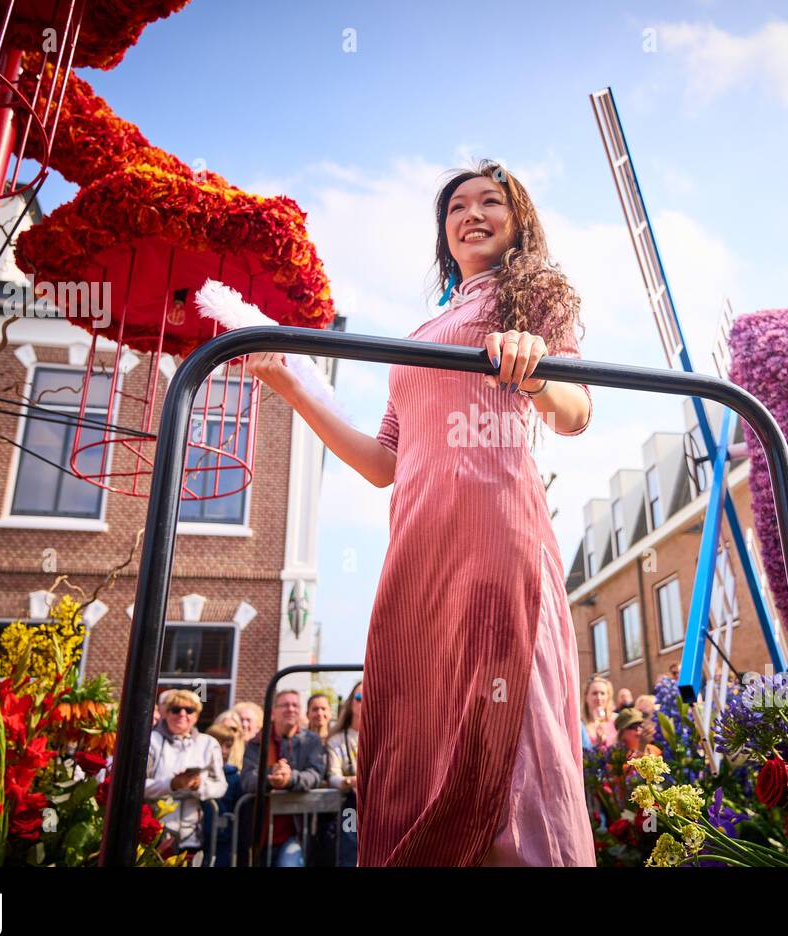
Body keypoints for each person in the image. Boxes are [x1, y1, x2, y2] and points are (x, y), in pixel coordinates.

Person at [247, 160, 594, 866]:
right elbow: (382, 462)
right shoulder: (422, 330)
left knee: (509, 732)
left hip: (495, 532)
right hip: (417, 547)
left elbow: (577, 412)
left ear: (517, 218)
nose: (471, 212)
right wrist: (295, 389)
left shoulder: (532, 296)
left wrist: (538, 370)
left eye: (490, 201)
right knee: (419, 727)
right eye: (456, 205)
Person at [241, 688, 328, 867]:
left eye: (295, 705)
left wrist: (290, 779)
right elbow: (247, 779)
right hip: (260, 833)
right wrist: (271, 776)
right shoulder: (257, 742)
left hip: (296, 831)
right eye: (285, 705)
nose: (291, 709)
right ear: (272, 712)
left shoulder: (311, 741)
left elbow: (315, 774)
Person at [145, 689, 227, 862]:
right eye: (175, 709)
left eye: (189, 710)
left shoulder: (208, 743)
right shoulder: (151, 740)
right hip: (155, 829)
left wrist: (198, 785)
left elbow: (221, 785)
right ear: (165, 714)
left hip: (194, 833)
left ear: (196, 716)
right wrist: (172, 784)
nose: (182, 714)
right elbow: (139, 785)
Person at [323, 681, 361, 867]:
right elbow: (333, 776)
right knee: (350, 855)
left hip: (383, 806)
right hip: (351, 807)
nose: (363, 702)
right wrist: (351, 781)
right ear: (351, 703)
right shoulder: (338, 740)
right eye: (359, 698)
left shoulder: (386, 735)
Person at [205, 722, 244, 866]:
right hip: (199, 838)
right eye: (217, 745)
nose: (223, 751)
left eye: (227, 746)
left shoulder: (234, 777)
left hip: (224, 841)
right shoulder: (197, 773)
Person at [583, 677, 617, 750]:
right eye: (594, 693)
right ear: (586, 697)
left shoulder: (617, 720)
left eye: (602, 693)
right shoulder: (580, 725)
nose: (599, 697)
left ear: (608, 696)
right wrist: (597, 744)